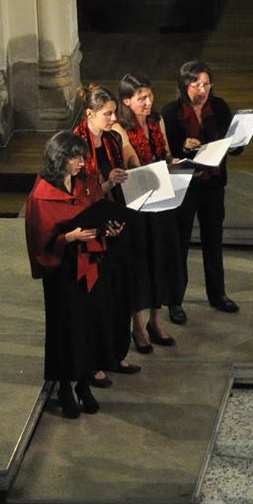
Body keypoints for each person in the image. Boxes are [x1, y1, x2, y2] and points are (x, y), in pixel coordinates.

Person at [25, 132, 125, 418]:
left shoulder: (88, 184)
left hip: (92, 266)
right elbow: (39, 242)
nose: (82, 162)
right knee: (66, 331)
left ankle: (84, 384)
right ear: (59, 159)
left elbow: (98, 216)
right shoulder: (42, 196)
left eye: (82, 156)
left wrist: (110, 230)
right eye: (74, 157)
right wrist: (67, 238)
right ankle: (65, 387)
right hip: (63, 272)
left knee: (92, 326)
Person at [161, 60, 241, 323]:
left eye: (206, 84)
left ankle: (218, 295)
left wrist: (236, 143)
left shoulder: (218, 107)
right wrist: (183, 145)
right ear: (184, 85)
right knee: (180, 242)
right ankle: (175, 301)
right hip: (185, 185)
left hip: (213, 183)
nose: (202, 89)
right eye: (195, 84)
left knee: (213, 240)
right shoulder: (171, 112)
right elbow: (166, 150)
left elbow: (234, 144)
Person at [73, 84, 141, 386]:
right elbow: (79, 197)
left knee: (120, 292)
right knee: (97, 299)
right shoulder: (76, 145)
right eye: (107, 114)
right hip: (90, 230)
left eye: (114, 112)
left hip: (116, 221)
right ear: (90, 113)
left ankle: (116, 353)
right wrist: (107, 185)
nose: (114, 119)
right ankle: (95, 361)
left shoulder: (113, 138)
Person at [115, 73, 183, 353]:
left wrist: (175, 161)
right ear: (126, 101)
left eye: (149, 96)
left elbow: (164, 152)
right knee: (140, 259)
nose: (147, 102)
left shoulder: (157, 120)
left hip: (161, 196)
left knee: (161, 257)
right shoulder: (120, 127)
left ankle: (157, 319)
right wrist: (157, 168)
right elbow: (133, 160)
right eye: (140, 98)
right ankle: (139, 325)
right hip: (138, 199)